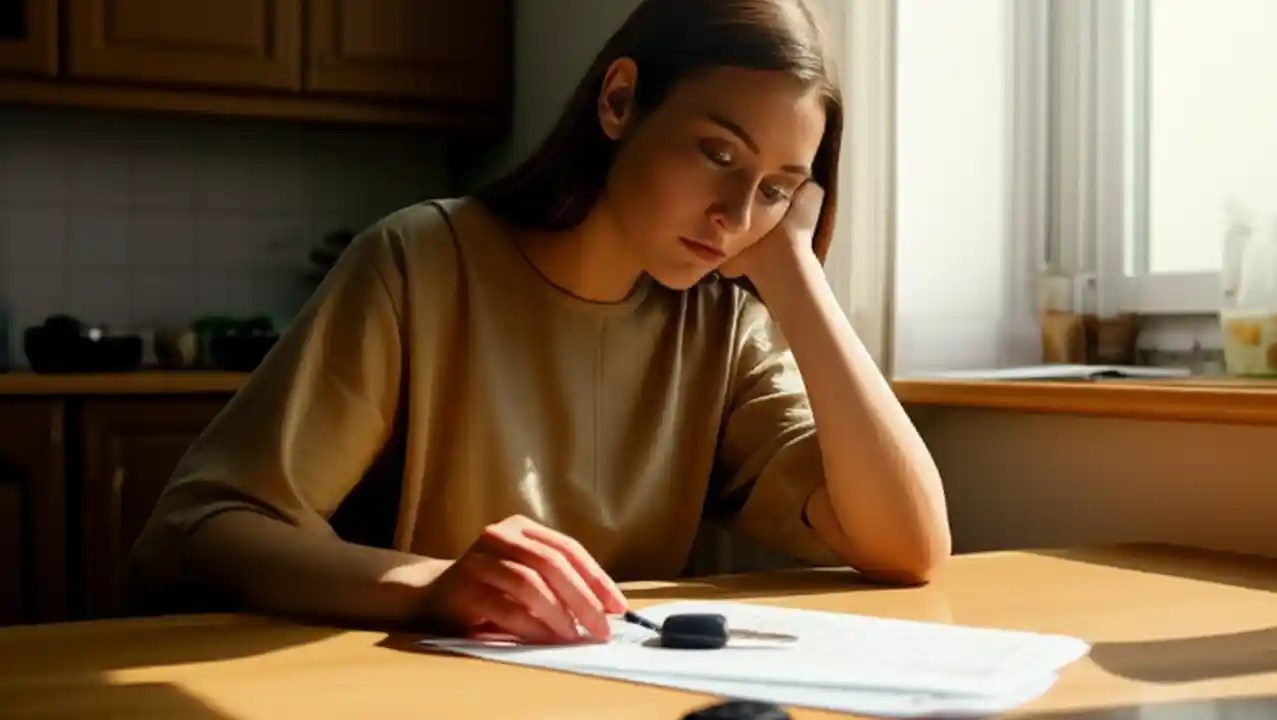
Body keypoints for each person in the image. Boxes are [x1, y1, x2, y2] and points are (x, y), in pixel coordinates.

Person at [127, 0, 950, 645]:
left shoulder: (723, 325)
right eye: (718, 153)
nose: (736, 216)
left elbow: (910, 546)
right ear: (620, 101)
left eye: (775, 189)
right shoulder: (423, 262)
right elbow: (200, 531)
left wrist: (796, 272)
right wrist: (432, 586)